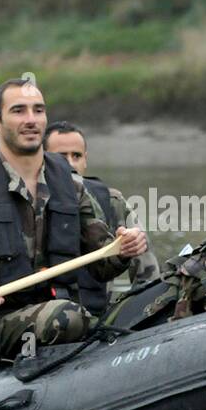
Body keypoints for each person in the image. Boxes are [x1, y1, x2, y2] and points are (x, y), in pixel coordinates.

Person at [0, 78, 149, 361]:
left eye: (38, 111)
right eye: (18, 111)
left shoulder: (71, 186)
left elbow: (101, 264)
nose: (31, 120)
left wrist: (123, 249)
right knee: (67, 316)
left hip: (58, 310)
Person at [43, 120, 160, 308]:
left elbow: (147, 271)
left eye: (77, 156)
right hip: (48, 311)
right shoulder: (33, 200)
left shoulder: (112, 200)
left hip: (98, 309)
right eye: (62, 157)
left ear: (86, 159)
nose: (71, 164)